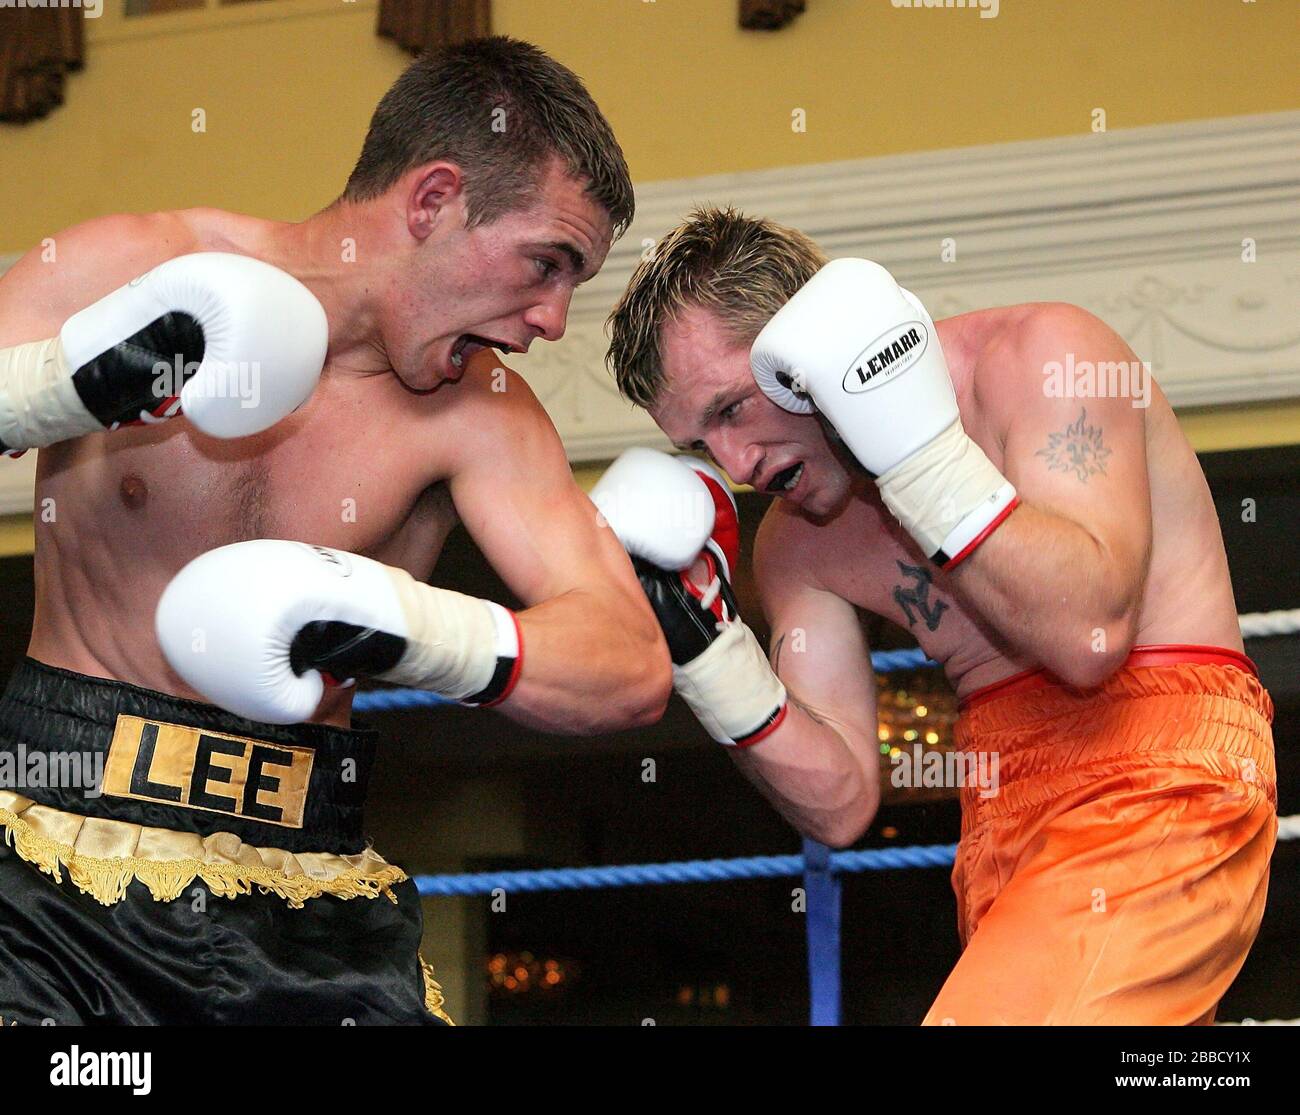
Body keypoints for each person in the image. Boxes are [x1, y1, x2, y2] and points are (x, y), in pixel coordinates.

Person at [0, 37, 670, 1026]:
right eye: (546, 262)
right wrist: (70, 384)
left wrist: (408, 626)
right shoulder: (131, 268)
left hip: (314, 903)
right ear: (433, 198)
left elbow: (630, 662)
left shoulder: (484, 412)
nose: (553, 320)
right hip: (59, 861)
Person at [601, 205, 1277, 1025]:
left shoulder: (1044, 359)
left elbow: (1089, 635)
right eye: (702, 443)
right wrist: (708, 655)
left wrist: (915, 454)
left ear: (802, 348)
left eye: (734, 408)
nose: (737, 464)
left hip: (1156, 773)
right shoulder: (797, 544)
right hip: (998, 809)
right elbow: (841, 799)